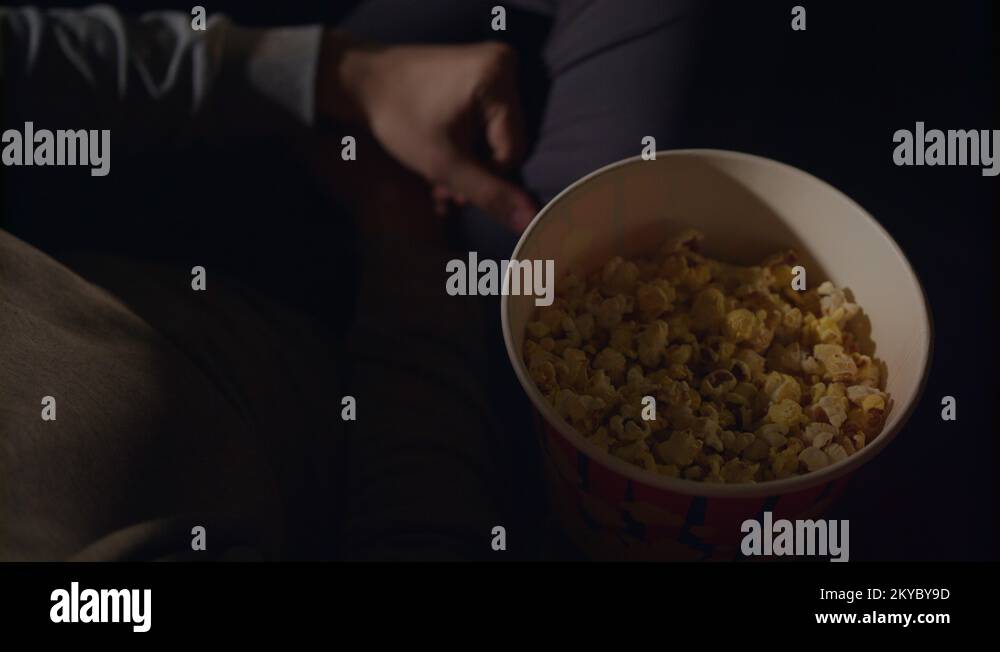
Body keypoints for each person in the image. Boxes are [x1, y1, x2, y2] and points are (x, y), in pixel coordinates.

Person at [0, 1, 706, 560]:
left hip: (171, 165)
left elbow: (21, 59)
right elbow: (419, 540)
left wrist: (335, 75)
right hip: (396, 370)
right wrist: (407, 255)